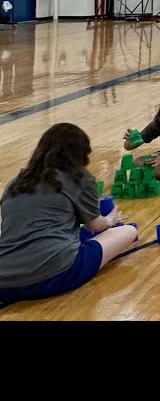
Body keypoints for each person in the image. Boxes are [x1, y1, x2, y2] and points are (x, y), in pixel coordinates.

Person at [0, 124, 139, 302]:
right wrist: (110, 220)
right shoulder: (79, 178)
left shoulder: (15, 182)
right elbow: (96, 225)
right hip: (56, 274)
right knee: (128, 231)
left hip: (4, 282)